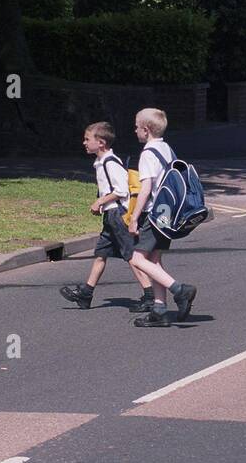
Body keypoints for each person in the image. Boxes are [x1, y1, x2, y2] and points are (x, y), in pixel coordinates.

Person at [125, 108, 197, 328]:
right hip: (168, 213)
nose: (135, 130)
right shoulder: (166, 148)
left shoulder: (148, 153)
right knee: (154, 260)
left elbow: (145, 189)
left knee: (137, 259)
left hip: (154, 213)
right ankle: (159, 310)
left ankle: (179, 290)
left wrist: (135, 217)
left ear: (145, 130)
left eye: (137, 127)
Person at [60, 122, 136, 310]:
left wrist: (99, 202)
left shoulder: (110, 162)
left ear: (101, 142)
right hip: (110, 216)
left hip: (118, 214)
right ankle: (86, 294)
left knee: (132, 256)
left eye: (87, 139)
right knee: (101, 254)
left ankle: (151, 295)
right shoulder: (101, 162)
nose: (84, 143)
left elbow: (121, 191)